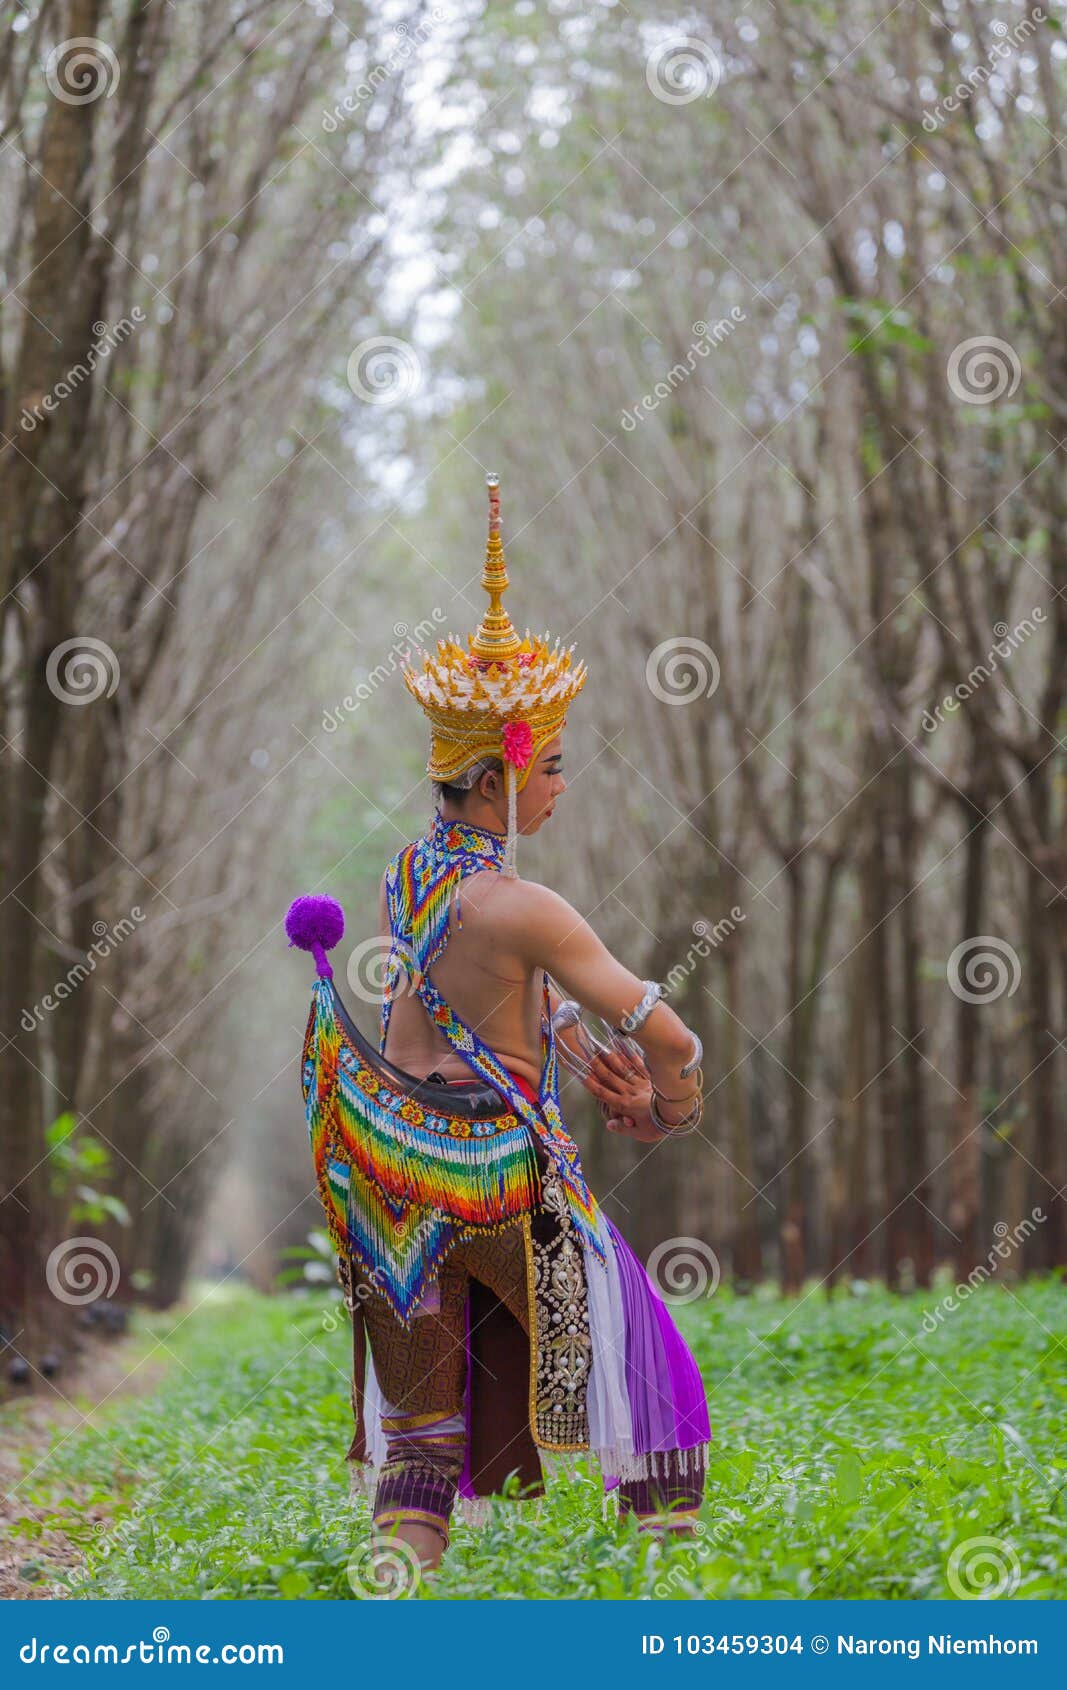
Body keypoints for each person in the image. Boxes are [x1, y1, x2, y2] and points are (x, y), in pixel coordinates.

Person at [291, 472, 710, 1575]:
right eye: (554, 763)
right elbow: (666, 1034)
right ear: (497, 778)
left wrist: (561, 1033)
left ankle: (393, 1620)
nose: (562, 784)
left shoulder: (405, 881)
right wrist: (674, 1095)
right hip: (495, 1180)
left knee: (419, 1450)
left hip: (390, 1177)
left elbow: (479, 1000)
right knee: (658, 1394)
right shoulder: (528, 906)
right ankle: (677, 1615)